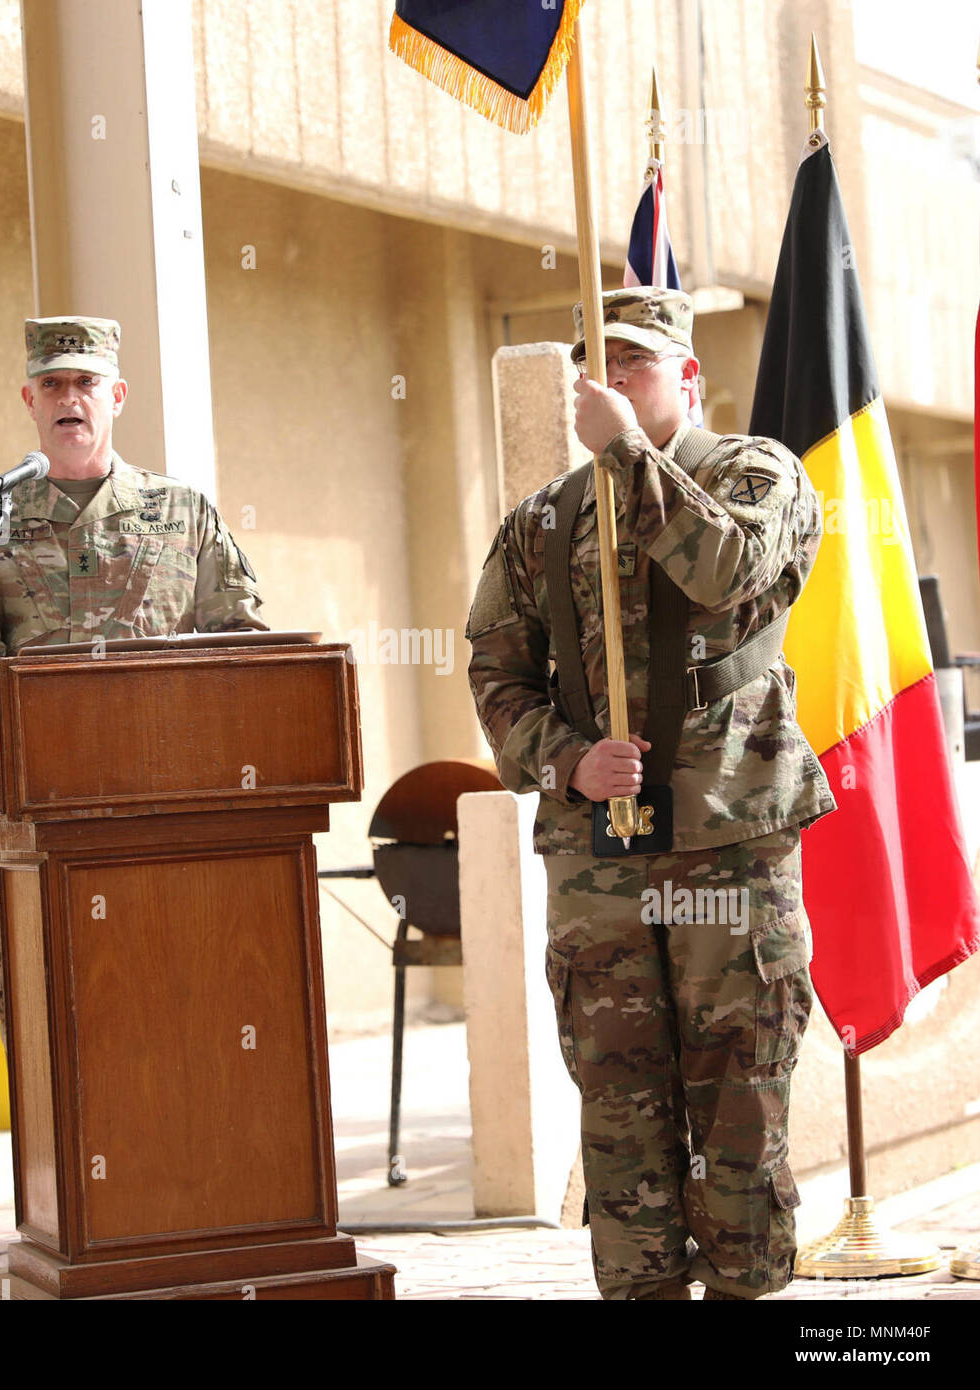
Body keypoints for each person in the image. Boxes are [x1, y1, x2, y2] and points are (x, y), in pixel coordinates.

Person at [465, 287, 836, 1301]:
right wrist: (565, 759)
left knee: (740, 1091)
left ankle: (748, 1291)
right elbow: (497, 676)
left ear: (689, 377)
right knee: (620, 1101)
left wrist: (631, 454)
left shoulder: (757, 473)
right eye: (604, 362)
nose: (617, 378)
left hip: (731, 836)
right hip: (602, 855)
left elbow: (726, 570)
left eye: (639, 360)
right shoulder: (542, 522)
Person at [0, 315, 267, 1037]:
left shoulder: (182, 513)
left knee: (174, 1022)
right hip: (36, 821)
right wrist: (59, 736)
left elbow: (239, 648)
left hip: (161, 817)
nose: (68, 397)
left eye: (85, 381)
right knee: (45, 1030)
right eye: (53, 383)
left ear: (117, 396)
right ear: (29, 399)